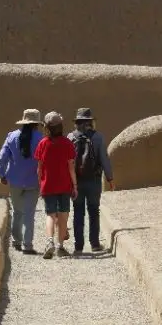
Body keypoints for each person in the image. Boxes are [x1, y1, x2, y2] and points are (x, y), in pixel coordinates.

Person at [68, 107, 115, 254]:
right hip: (94, 180)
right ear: (90, 122)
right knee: (94, 211)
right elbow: (104, 159)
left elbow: (68, 162)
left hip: (76, 181)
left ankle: (78, 246)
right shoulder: (98, 137)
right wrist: (110, 178)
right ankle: (94, 244)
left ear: (77, 122)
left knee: (78, 212)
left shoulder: (70, 137)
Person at [0, 108, 43, 254]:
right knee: (29, 213)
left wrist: (2, 174)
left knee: (17, 211)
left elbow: (2, 159)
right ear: (37, 123)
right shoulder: (41, 139)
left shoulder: (11, 136)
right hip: (33, 181)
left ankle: (16, 241)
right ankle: (27, 245)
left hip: (15, 180)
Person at [34, 111, 78, 259]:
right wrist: (75, 186)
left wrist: (41, 184)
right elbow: (71, 167)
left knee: (50, 215)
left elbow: (39, 168)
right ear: (61, 126)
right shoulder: (67, 143)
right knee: (63, 214)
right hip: (65, 185)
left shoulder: (42, 144)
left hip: (48, 185)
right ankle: (60, 247)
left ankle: (49, 242)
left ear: (47, 127)